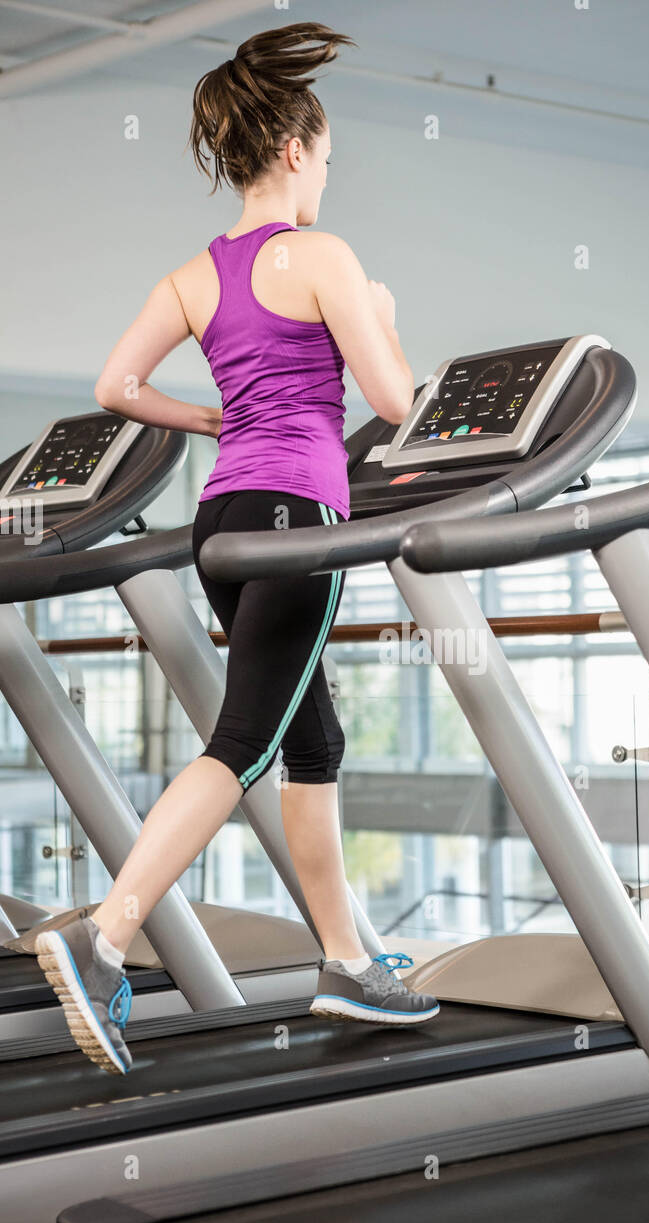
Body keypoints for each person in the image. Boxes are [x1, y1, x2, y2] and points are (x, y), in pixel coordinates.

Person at [35, 20, 439, 1076]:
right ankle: (103, 935)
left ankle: (345, 961)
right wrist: (384, 315)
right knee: (243, 742)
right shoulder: (325, 257)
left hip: (223, 522)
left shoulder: (194, 276)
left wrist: (210, 421)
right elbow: (393, 399)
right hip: (298, 518)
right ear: (299, 149)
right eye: (328, 161)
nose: (325, 180)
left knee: (312, 745)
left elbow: (113, 389)